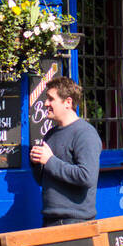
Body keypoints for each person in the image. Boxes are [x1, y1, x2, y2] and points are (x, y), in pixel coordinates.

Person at [29, 75, 101, 225]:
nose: (45, 103)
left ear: (68, 102)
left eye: (51, 99)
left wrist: (49, 160)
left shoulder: (85, 133)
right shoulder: (50, 134)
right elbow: (42, 180)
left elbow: (86, 177)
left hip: (75, 222)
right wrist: (37, 163)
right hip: (50, 219)